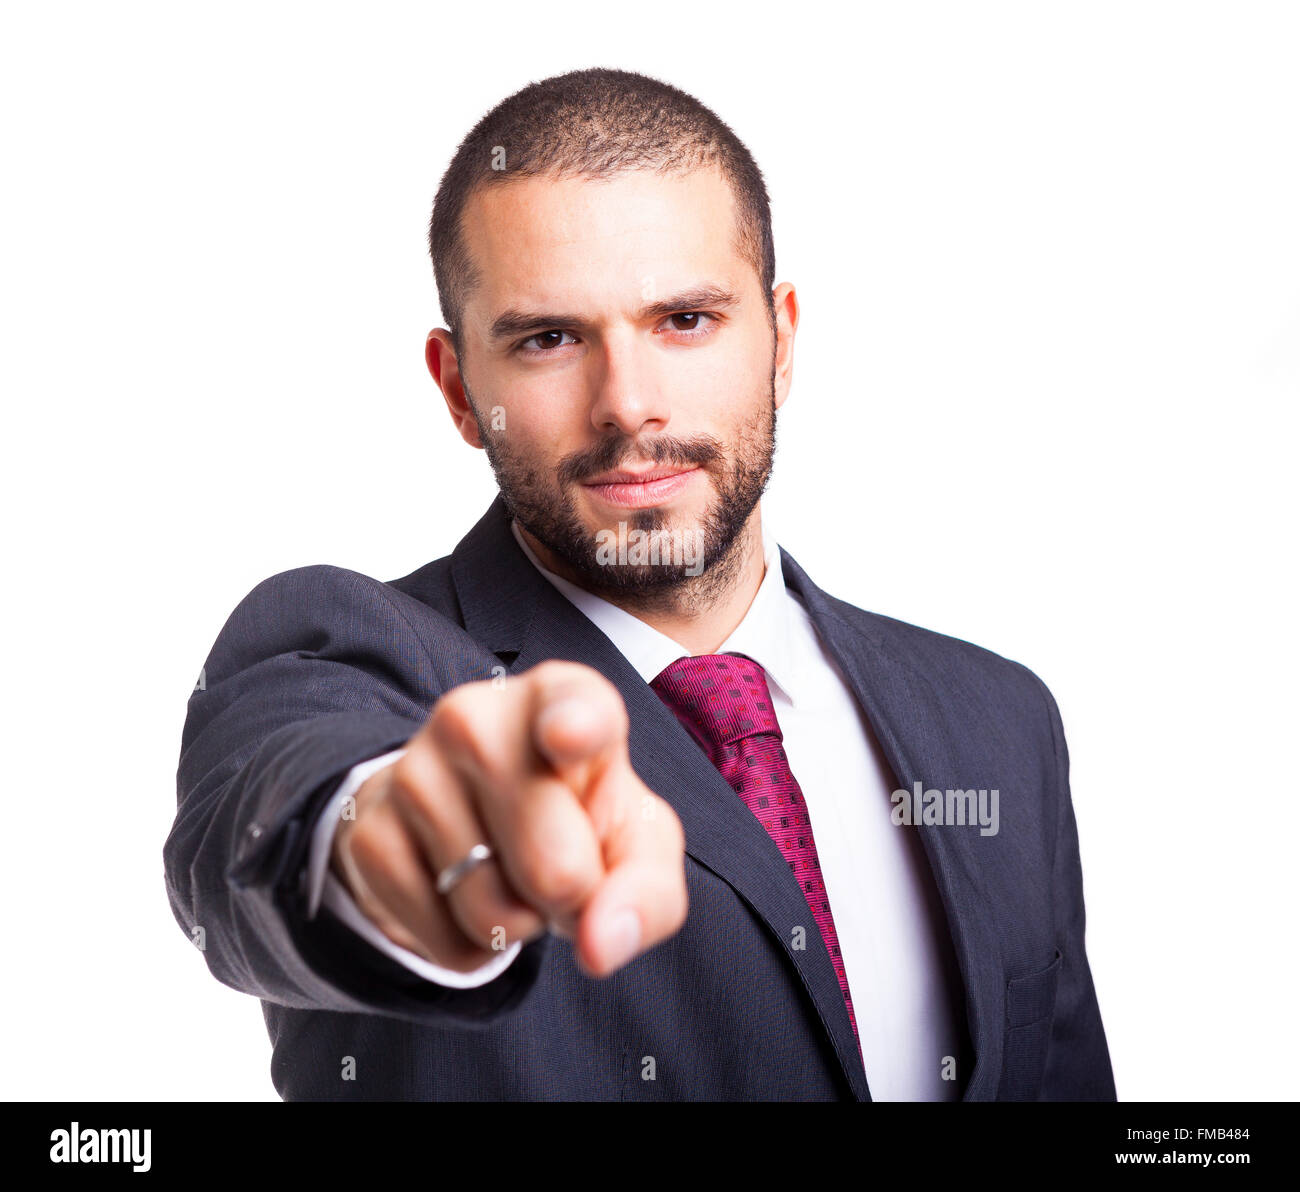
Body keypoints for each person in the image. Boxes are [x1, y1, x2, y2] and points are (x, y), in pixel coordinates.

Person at [166, 67, 1115, 1101]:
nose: (629, 405)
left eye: (685, 320)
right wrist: (406, 853)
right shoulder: (358, 654)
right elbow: (267, 832)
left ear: (782, 339)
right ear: (458, 388)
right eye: (548, 339)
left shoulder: (996, 719)